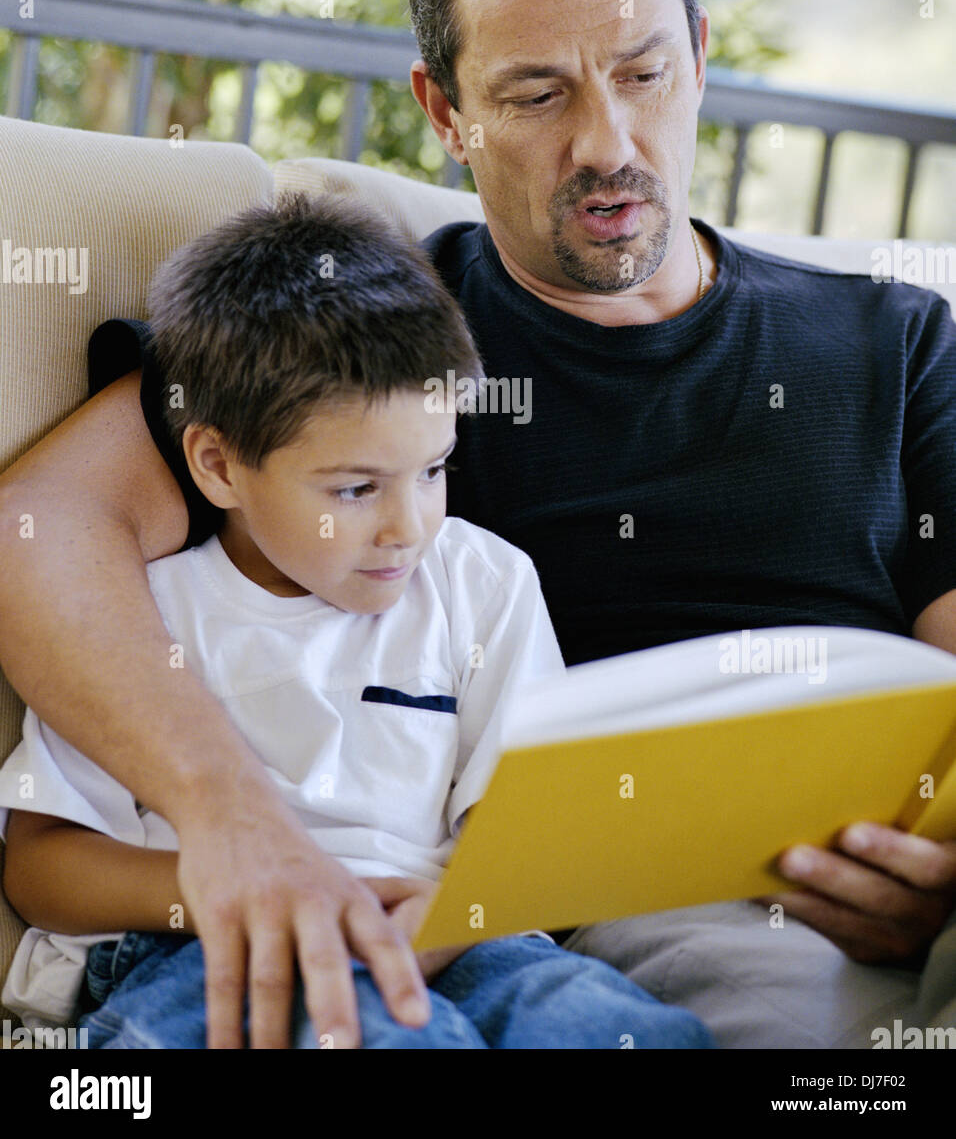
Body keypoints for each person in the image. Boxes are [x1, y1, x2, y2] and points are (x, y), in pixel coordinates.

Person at [0, 0, 954, 1050]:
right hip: (590, 930)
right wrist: (230, 820)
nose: (606, 143)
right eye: (535, 92)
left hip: (877, 923)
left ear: (703, 56)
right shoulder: (373, 344)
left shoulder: (899, 343)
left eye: (643, 71)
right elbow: (43, 525)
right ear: (443, 112)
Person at [0, 194, 715, 1050]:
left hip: (451, 936)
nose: (408, 526)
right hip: (200, 943)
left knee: (605, 1028)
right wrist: (242, 890)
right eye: (355, 489)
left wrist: (435, 923)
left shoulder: (483, 583)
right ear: (219, 465)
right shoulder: (139, 611)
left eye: (433, 469)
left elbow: (532, 832)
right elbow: (43, 868)